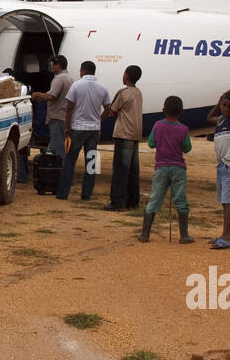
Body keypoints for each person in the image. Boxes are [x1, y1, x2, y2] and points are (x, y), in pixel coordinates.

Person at [138, 95, 193, 242]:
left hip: (161, 167)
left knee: (155, 198)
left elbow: (151, 143)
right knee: (180, 200)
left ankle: (145, 234)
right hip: (178, 168)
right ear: (181, 112)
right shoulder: (183, 129)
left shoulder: (157, 125)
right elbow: (187, 148)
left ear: (163, 110)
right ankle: (184, 235)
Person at [56, 61, 113, 201]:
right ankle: (87, 193)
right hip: (94, 129)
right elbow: (108, 109)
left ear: (83, 71)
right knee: (92, 161)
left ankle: (63, 193)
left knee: (70, 160)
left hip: (78, 128)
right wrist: (99, 120)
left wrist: (67, 127)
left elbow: (69, 108)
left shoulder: (76, 85)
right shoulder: (102, 87)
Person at [103, 65, 144, 210]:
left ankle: (118, 202)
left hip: (123, 133)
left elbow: (112, 111)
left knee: (121, 169)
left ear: (126, 75)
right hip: (135, 134)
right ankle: (133, 201)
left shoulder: (123, 93)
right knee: (133, 170)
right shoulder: (138, 92)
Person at [207, 89, 230, 249]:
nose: (227, 109)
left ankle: (228, 236)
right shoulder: (221, 120)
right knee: (224, 201)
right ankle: (225, 234)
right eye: (224, 105)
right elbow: (209, 117)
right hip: (221, 165)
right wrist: (219, 101)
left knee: (228, 202)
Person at [31, 56, 72, 160]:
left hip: (57, 118)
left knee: (58, 149)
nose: (51, 67)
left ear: (58, 65)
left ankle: (61, 168)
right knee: (58, 145)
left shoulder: (59, 78)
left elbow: (51, 96)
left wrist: (36, 94)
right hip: (65, 117)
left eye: (52, 65)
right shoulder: (69, 78)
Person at [3, 68, 33, 183]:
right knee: (21, 150)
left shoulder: (18, 88)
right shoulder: (23, 87)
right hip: (22, 120)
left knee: (19, 150)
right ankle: (23, 173)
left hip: (18, 120)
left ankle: (22, 175)